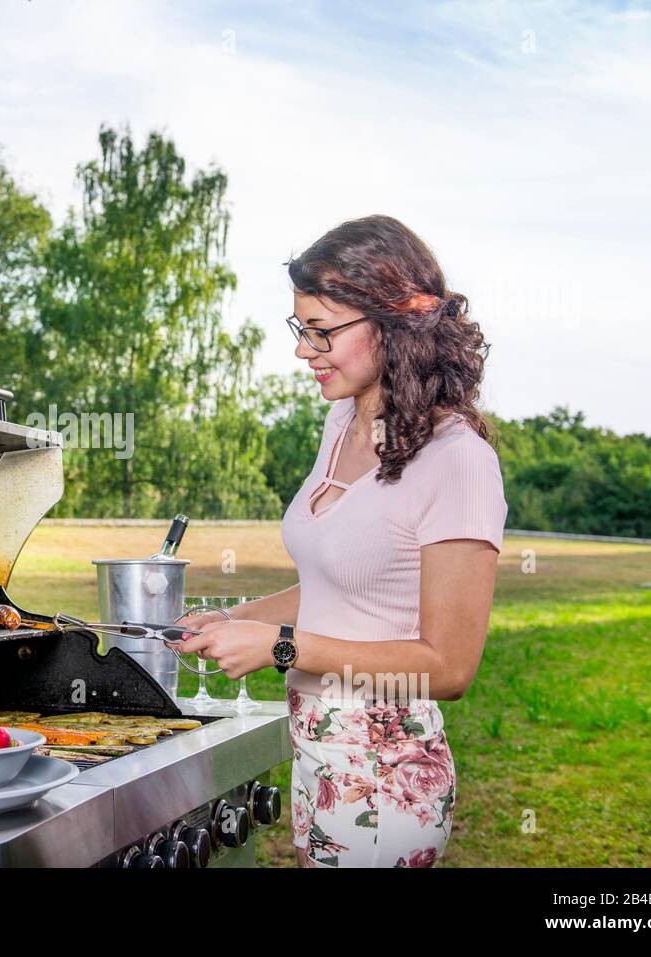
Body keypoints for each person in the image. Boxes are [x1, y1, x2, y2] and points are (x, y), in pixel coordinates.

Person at [173, 215, 507, 868]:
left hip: (384, 779)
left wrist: (279, 646)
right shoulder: (341, 420)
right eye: (301, 329)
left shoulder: (457, 460)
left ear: (393, 324)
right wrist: (233, 619)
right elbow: (336, 581)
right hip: (319, 757)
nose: (304, 349)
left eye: (322, 331)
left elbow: (449, 666)